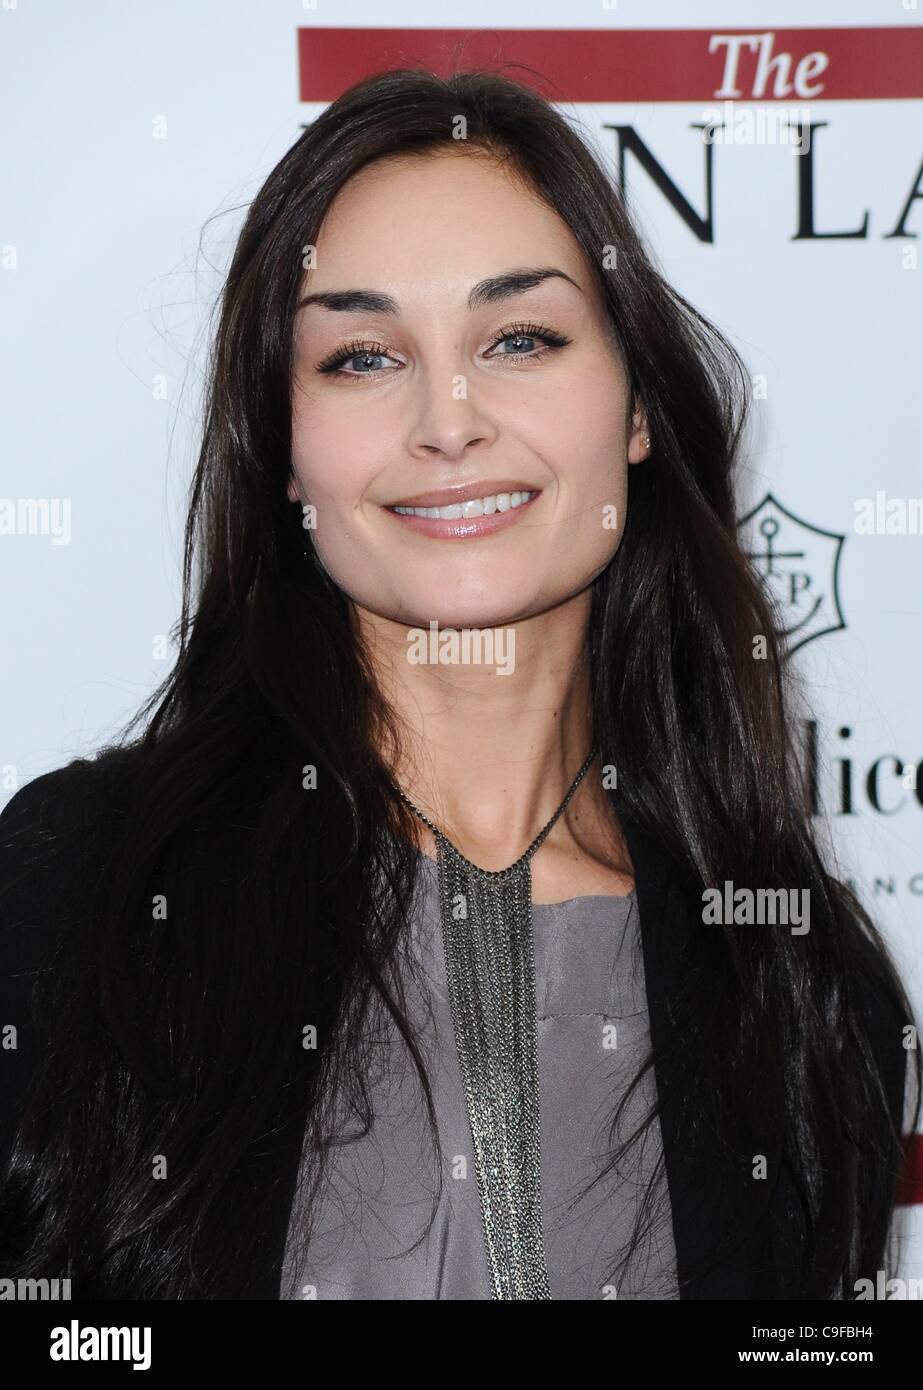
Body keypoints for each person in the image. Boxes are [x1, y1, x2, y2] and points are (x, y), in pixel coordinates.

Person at [0, 68, 918, 1301]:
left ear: (638, 409)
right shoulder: (80, 888)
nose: (449, 420)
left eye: (520, 338)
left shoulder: (795, 984)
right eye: (363, 356)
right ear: (283, 452)